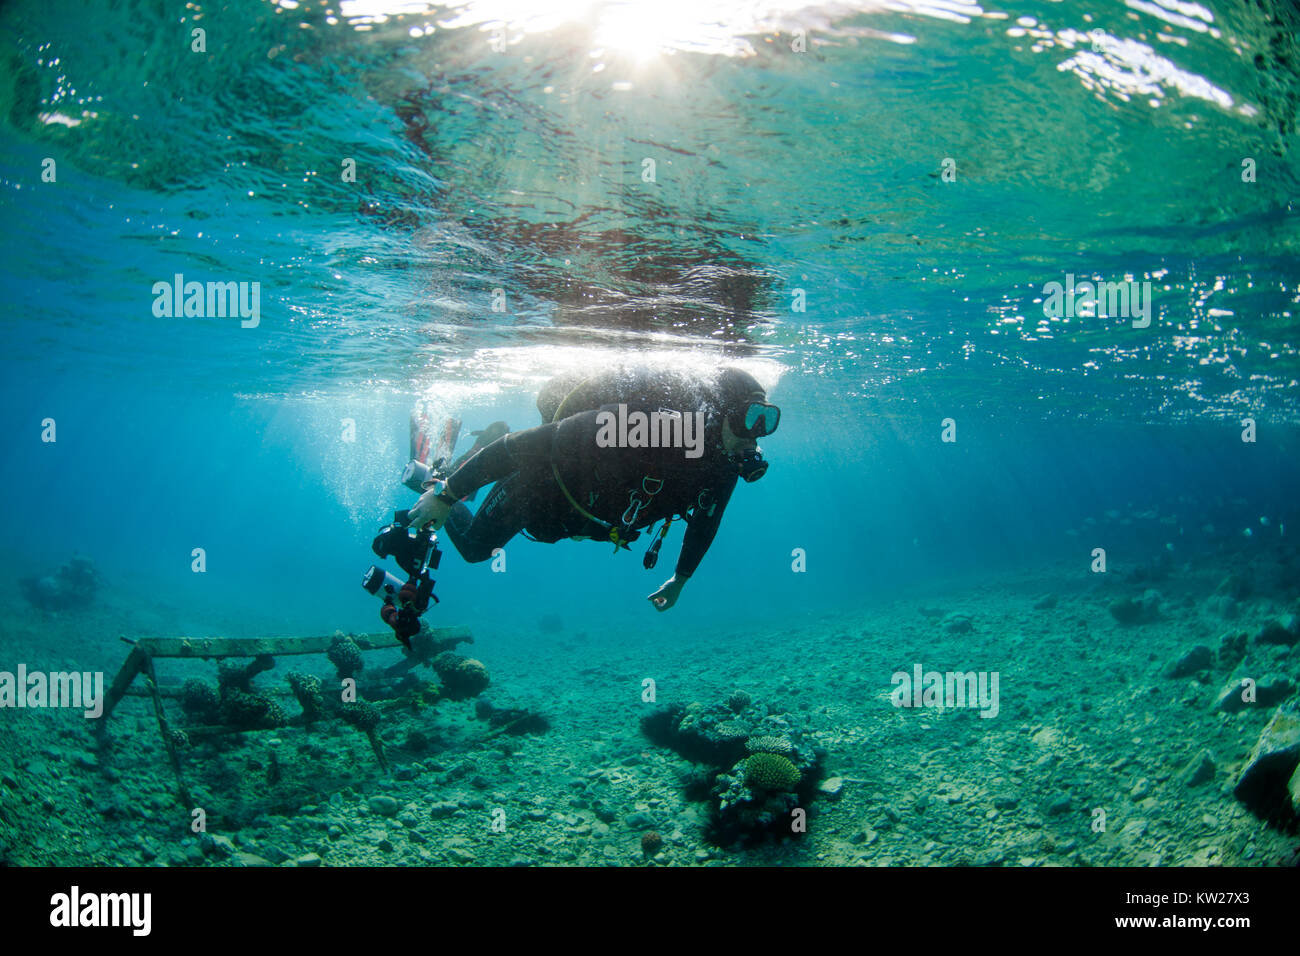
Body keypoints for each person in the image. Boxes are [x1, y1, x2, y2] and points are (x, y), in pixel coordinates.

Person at [408, 366, 779, 610]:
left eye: (767, 420)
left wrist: (680, 580)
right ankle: (431, 478)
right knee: (475, 549)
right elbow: (532, 444)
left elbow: (706, 523)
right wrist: (448, 494)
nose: (756, 435)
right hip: (541, 485)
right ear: (717, 413)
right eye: (750, 417)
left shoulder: (722, 459)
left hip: (578, 516)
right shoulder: (644, 427)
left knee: (542, 527)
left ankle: (468, 464)